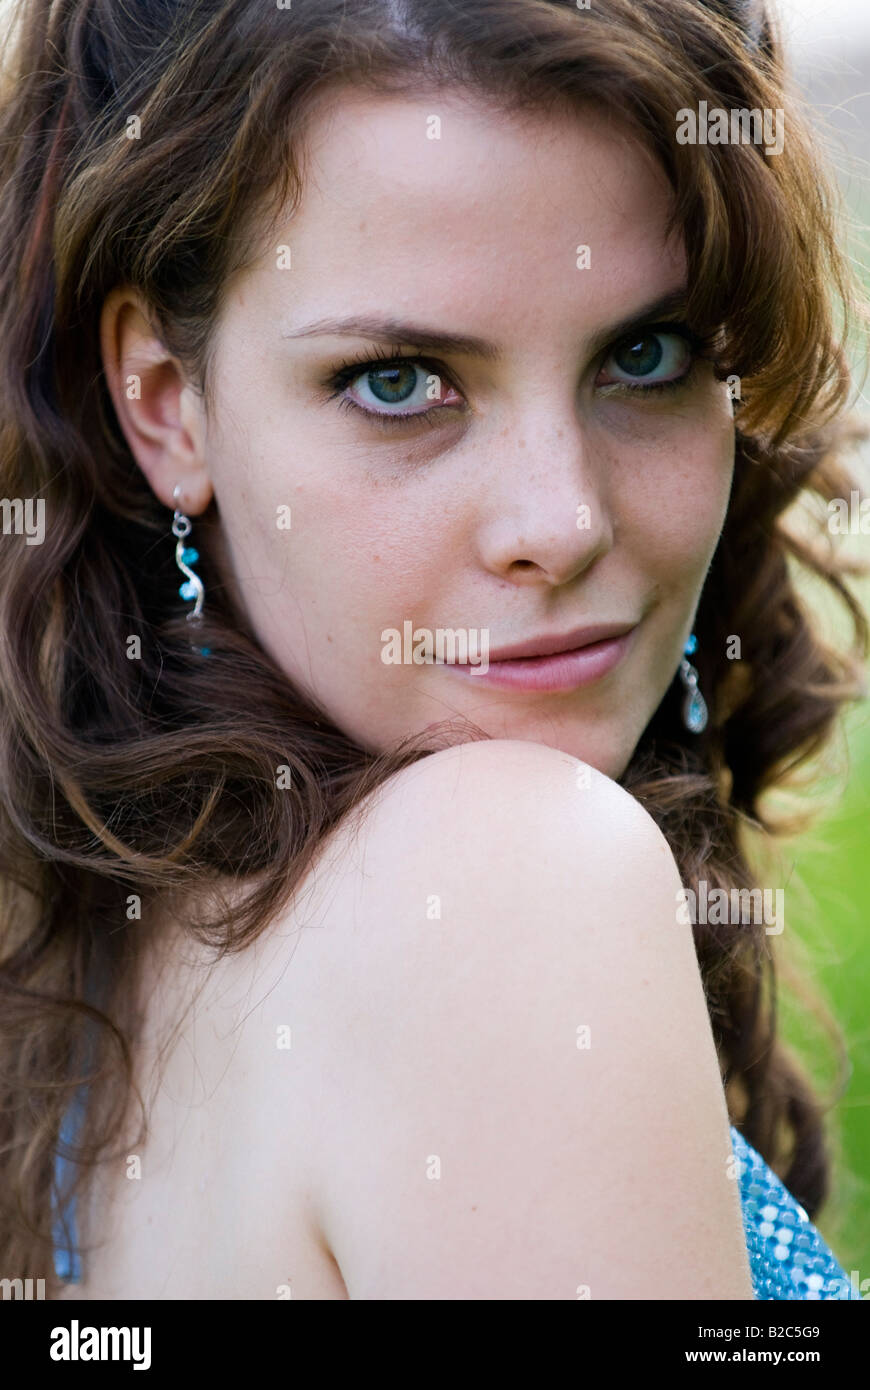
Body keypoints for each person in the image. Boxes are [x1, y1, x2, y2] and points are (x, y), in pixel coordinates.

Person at [0, 0, 866, 1301]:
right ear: (166, 403)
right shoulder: (509, 883)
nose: (561, 520)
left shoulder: (90, 998)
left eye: (646, 353)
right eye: (398, 380)